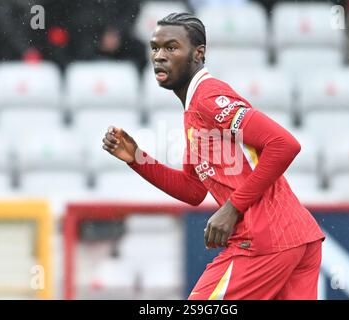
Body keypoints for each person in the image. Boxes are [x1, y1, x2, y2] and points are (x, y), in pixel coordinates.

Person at [102, 12, 325, 300]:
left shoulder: (209, 98)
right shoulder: (195, 109)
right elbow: (194, 190)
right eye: (155, 48)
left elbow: (284, 145)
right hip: (296, 238)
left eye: (171, 47)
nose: (159, 56)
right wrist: (137, 159)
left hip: (264, 240)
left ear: (198, 53)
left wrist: (232, 208)